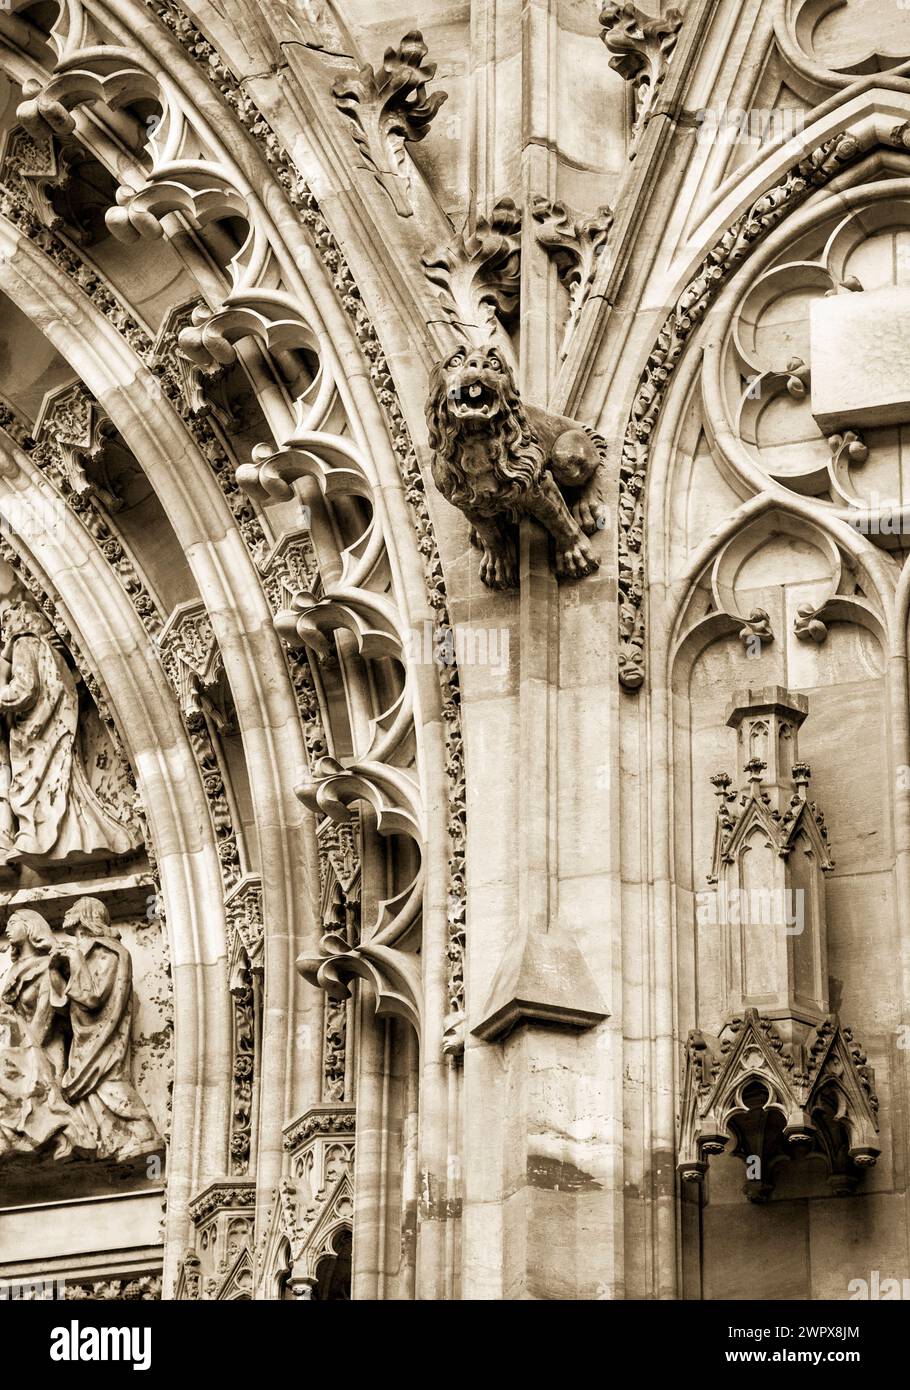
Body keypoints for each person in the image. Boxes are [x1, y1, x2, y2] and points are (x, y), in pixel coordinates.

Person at [0, 596, 137, 864]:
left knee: (39, 787)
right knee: (61, 788)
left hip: (40, 734)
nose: (4, 634)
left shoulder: (24, 641)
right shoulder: (48, 649)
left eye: (5, 625)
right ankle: (84, 839)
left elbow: (24, 690)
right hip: (52, 730)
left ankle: (38, 840)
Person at [54, 897, 160, 1162]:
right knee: (90, 1091)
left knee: (109, 1083)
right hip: (83, 1037)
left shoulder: (109, 952)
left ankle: (144, 1135)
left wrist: (75, 959)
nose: (68, 912)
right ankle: (108, 1141)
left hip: (102, 1036)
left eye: (75, 908)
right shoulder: (86, 950)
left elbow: (92, 998)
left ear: (87, 915)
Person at [0, 909, 95, 1158]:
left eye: (13, 923)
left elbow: (47, 1014)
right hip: (14, 1047)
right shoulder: (11, 972)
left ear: (31, 927)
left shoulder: (46, 967)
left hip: (41, 1048)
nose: (8, 929)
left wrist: (26, 1052)